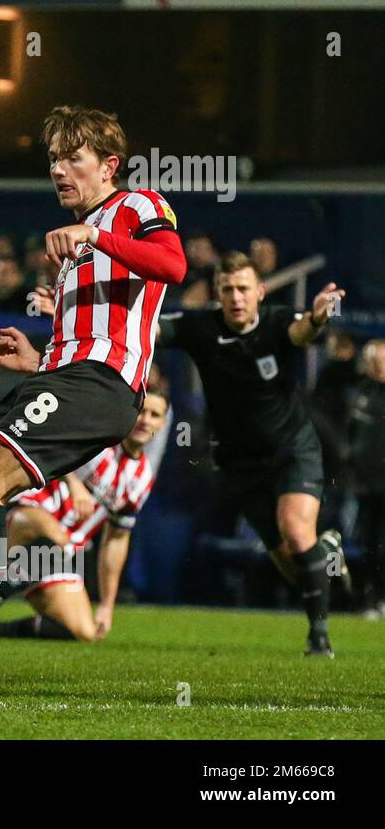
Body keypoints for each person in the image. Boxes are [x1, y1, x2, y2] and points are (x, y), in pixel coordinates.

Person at [0, 105, 185, 687]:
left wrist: (96, 234)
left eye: (73, 158)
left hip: (104, 386)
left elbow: (172, 265)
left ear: (110, 166)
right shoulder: (72, 254)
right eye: (53, 159)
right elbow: (81, 342)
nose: (59, 170)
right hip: (63, 375)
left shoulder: (137, 206)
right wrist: (37, 358)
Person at [157, 251, 346, 656]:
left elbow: (301, 333)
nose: (236, 297)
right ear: (217, 294)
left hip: (291, 449)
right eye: (227, 290)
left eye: (243, 288)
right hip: (240, 463)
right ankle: (327, 555)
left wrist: (315, 319)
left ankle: (319, 638)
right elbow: (146, 333)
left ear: (260, 292)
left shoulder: (277, 323)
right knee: (290, 563)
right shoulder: (200, 328)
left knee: (296, 531)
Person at [0, 385, 169, 640]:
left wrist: (107, 606)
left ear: (162, 424)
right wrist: (74, 484)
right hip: (27, 517)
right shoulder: (99, 438)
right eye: (141, 411)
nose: (145, 420)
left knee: (84, 631)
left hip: (58, 553)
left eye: (155, 415)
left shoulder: (142, 479)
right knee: (58, 537)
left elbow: (117, 539)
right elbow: (49, 447)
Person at [349, 338, 385, 618]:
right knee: (368, 544)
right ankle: (368, 599)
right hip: (366, 485)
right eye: (376, 360)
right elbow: (348, 436)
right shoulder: (358, 394)